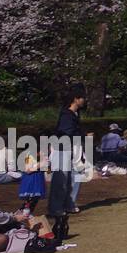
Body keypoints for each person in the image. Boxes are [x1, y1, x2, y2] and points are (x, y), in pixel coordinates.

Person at [46, 84, 86, 239]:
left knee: (70, 177)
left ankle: (67, 204)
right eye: (82, 98)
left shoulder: (74, 114)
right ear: (76, 99)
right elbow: (65, 133)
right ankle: (55, 208)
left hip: (68, 149)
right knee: (60, 180)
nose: (84, 101)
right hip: (60, 148)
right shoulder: (67, 115)